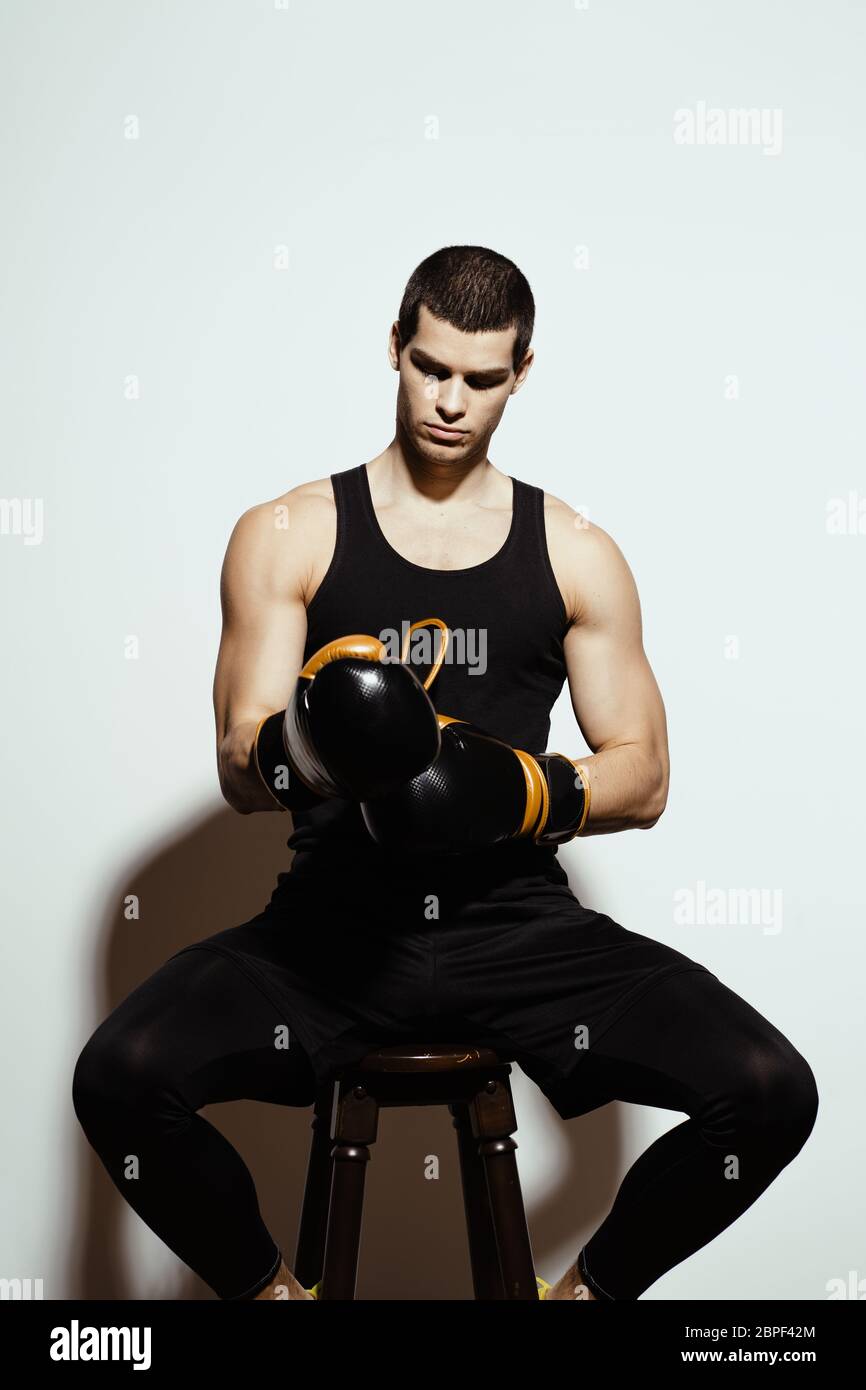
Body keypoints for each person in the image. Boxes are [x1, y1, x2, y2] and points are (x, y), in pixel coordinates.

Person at [72, 245, 818, 1301]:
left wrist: (520, 790)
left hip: (515, 930)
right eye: (429, 368)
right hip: (328, 937)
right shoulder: (290, 532)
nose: (449, 403)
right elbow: (242, 763)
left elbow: (643, 776)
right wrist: (322, 745)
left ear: (520, 374)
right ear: (393, 347)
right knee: (118, 1074)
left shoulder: (573, 549)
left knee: (768, 1088)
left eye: (479, 379)